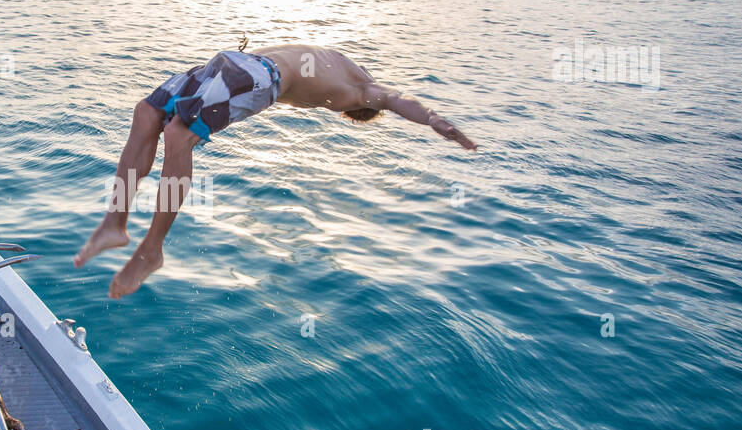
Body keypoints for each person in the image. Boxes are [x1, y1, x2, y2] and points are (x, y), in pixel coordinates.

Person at [75, 43, 479, 298]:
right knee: (146, 115)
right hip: (245, 67)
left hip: (245, 67)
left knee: (178, 134)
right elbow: (397, 97)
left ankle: (151, 250)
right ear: (360, 113)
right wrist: (434, 119)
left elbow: (394, 97)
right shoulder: (364, 92)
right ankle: (115, 223)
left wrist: (430, 120)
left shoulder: (348, 70)